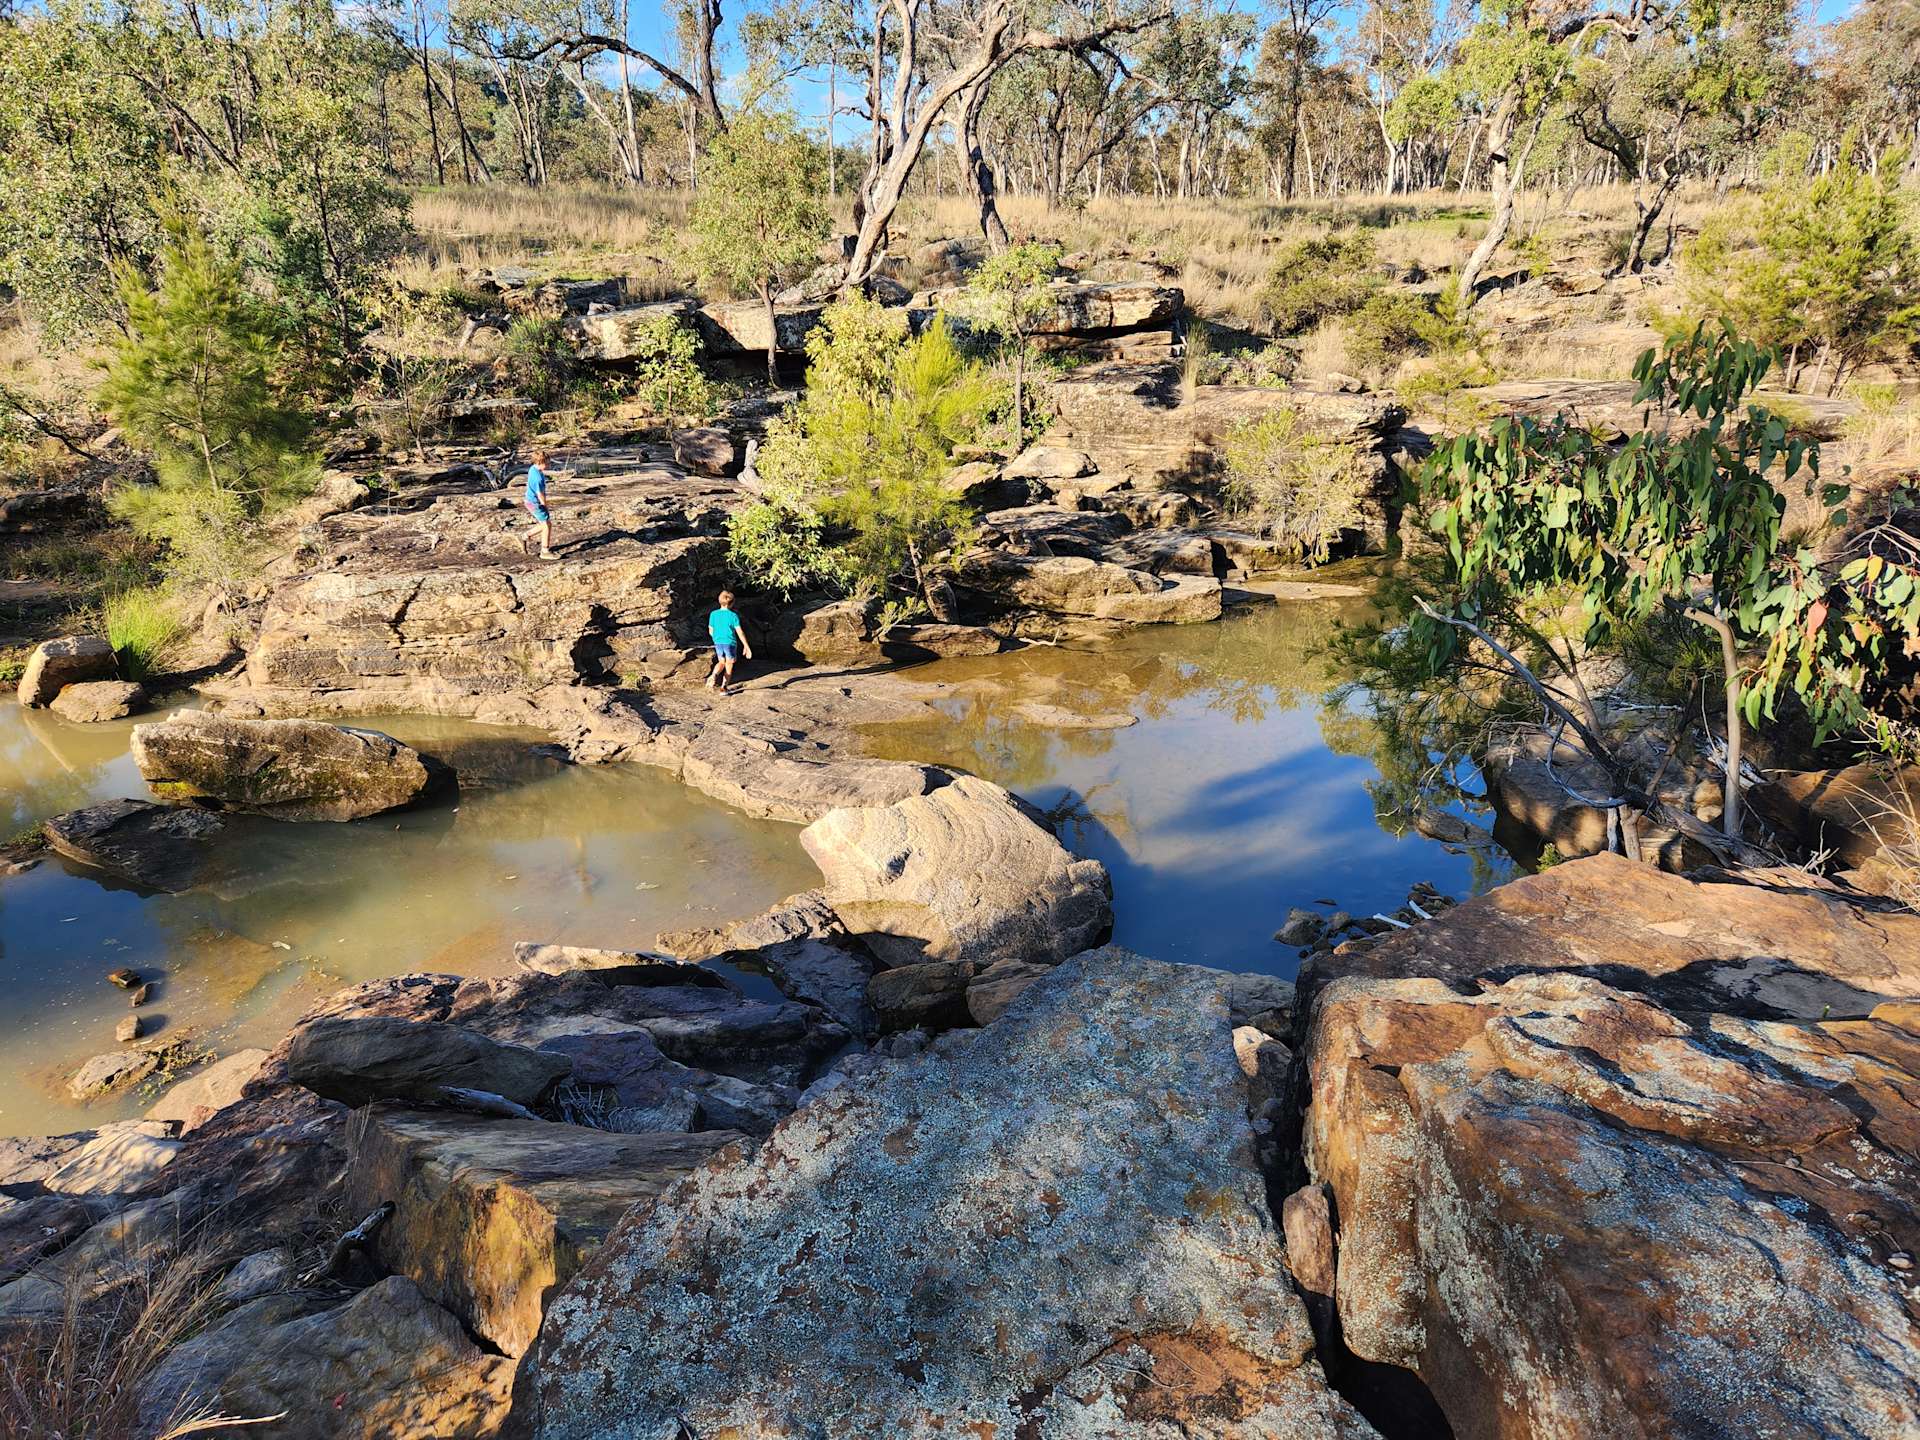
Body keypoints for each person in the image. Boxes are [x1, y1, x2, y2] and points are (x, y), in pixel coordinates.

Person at [707, 590, 752, 693]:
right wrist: (746, 646)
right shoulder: (733, 616)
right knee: (729, 664)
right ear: (732, 603)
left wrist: (716, 638)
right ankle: (724, 688)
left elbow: (711, 630)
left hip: (718, 642)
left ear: (719, 601)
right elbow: (740, 632)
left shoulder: (713, 614)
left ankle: (714, 675)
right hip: (730, 643)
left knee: (721, 662)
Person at [524, 449, 556, 559]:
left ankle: (526, 535)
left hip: (529, 501)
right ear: (538, 463)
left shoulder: (533, 469)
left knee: (546, 524)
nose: (548, 465)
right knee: (546, 525)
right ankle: (545, 551)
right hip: (535, 504)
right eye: (546, 463)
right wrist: (545, 506)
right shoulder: (537, 478)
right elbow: (540, 494)